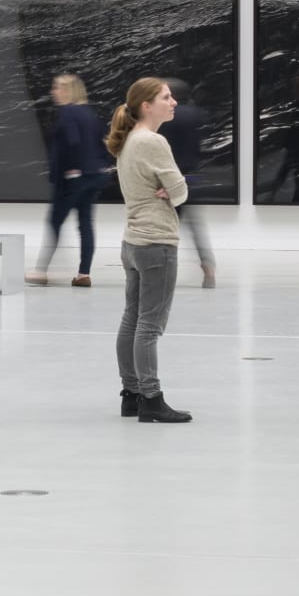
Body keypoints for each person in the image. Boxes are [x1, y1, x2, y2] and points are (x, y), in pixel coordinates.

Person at [111, 77, 191, 423]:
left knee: (132, 318)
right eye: (166, 97)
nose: (173, 102)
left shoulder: (130, 140)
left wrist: (170, 189)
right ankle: (151, 399)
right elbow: (181, 190)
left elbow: (171, 188)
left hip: (132, 243)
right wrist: (173, 190)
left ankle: (131, 394)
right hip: (157, 243)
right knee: (150, 325)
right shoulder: (153, 141)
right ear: (147, 105)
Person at [29, 74, 109, 286]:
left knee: (55, 221)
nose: (53, 92)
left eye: (58, 88)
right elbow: (103, 143)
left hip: (73, 179)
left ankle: (41, 270)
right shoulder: (90, 113)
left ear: (69, 91)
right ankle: (84, 274)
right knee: (85, 223)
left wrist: (73, 170)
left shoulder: (68, 112)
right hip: (95, 176)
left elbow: (72, 142)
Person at [162, 77, 216, 287]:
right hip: (192, 175)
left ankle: (166, 269)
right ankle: (207, 265)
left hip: (170, 177)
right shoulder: (196, 115)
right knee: (195, 226)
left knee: (167, 226)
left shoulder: (168, 117)